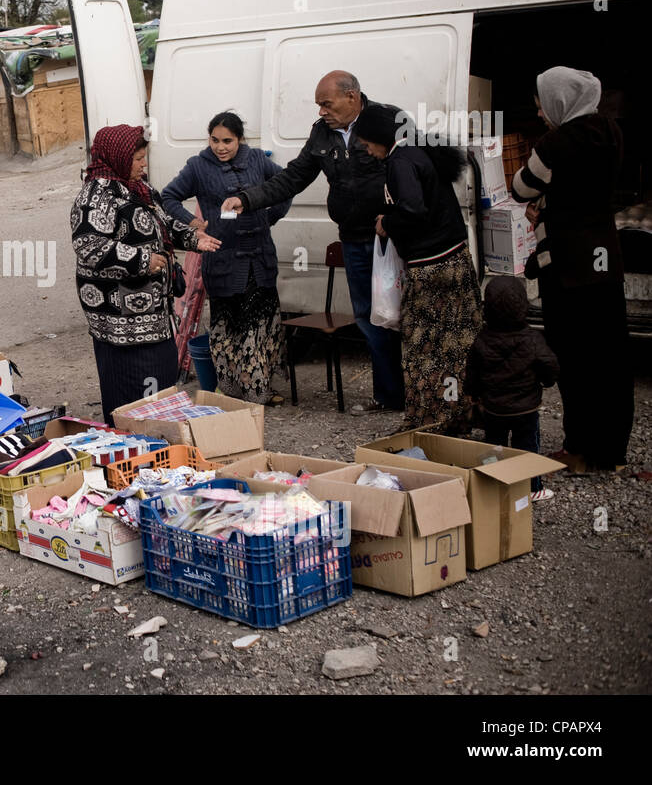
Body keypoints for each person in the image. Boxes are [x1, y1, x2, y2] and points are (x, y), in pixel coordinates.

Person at [221, 71, 403, 413]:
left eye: (326, 103)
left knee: (405, 315)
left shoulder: (387, 120)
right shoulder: (323, 133)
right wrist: (247, 199)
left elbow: (415, 169)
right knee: (370, 317)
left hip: (392, 239)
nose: (321, 111)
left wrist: (397, 217)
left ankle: (420, 395)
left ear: (352, 97)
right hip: (353, 239)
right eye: (319, 104)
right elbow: (293, 177)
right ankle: (390, 397)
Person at [511, 67, 633, 472]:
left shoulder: (556, 142)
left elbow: (521, 187)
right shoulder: (611, 132)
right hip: (604, 257)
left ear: (560, 102)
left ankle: (580, 450)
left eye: (544, 106)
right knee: (611, 358)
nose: (543, 114)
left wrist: (544, 204)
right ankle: (610, 452)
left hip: (568, 265)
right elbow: (582, 191)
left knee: (575, 361)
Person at [72, 124, 221, 422]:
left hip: (152, 317)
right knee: (133, 393)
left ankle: (158, 448)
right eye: (138, 158)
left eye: (144, 157)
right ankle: (134, 450)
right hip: (121, 324)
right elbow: (88, 245)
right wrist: (141, 260)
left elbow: (163, 223)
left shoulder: (138, 189)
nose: (144, 164)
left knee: (161, 382)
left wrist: (193, 239)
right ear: (118, 156)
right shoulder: (96, 196)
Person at [356, 102, 482, 434]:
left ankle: (428, 422)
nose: (367, 151)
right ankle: (461, 414)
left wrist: (387, 221)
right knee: (456, 343)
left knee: (424, 350)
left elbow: (411, 210)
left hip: (431, 269)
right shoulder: (419, 150)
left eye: (367, 143)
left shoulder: (400, 161)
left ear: (381, 136)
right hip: (455, 259)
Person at [161, 112, 291, 404]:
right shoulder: (198, 166)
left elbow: (285, 184)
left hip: (259, 258)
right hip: (223, 261)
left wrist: (272, 216)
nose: (220, 147)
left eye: (227, 141)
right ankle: (232, 391)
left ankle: (259, 390)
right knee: (229, 326)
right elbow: (168, 197)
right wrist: (193, 223)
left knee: (259, 325)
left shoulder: (257, 159)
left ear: (240, 139)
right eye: (215, 140)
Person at [466, 276, 560, 501]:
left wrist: (474, 394)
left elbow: (473, 372)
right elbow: (551, 366)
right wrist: (546, 381)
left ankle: (493, 483)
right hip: (525, 409)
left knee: (493, 447)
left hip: (493, 408)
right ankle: (533, 488)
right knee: (527, 448)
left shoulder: (481, 340)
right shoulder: (533, 339)